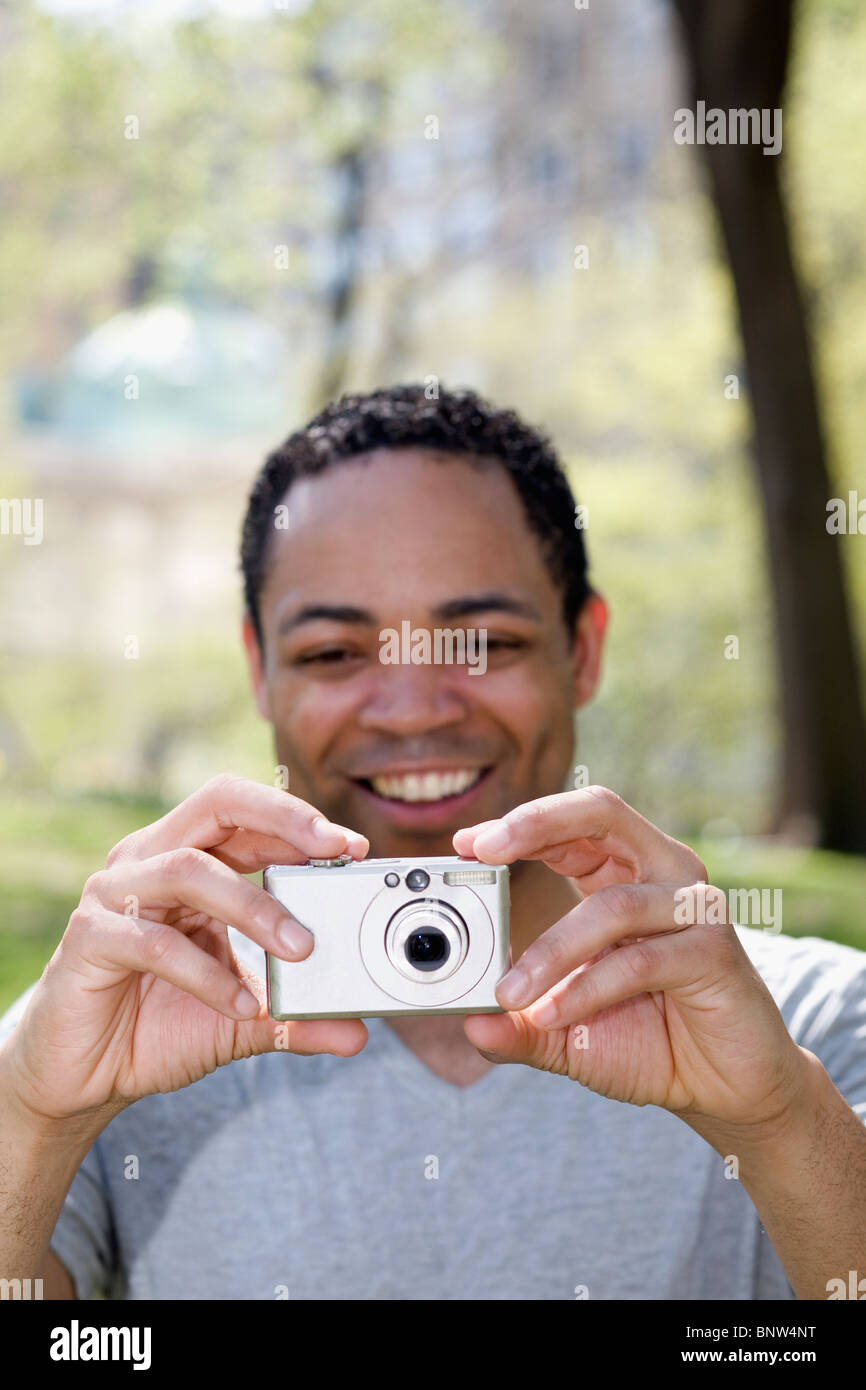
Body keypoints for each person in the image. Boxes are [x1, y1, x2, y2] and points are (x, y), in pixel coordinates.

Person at [1, 384, 865, 1302]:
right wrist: (32, 1114)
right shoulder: (124, 1025)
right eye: (336, 652)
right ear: (259, 667)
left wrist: (780, 1120)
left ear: (583, 648)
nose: (414, 711)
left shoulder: (805, 1025)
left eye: (483, 642)